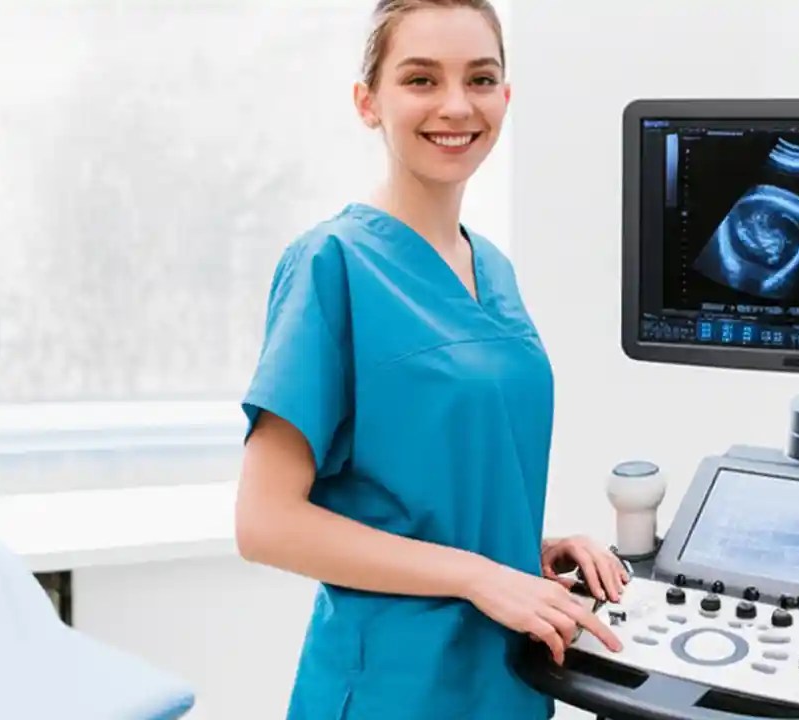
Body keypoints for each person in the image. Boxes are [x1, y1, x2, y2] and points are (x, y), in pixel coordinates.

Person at [234, 1, 625, 718]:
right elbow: (266, 524)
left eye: (480, 79)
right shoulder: (332, 264)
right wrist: (480, 574)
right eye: (420, 79)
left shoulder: (493, 269)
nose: (456, 105)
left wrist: (523, 550)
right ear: (368, 102)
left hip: (508, 681)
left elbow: (428, 490)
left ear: (505, 97)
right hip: (392, 688)